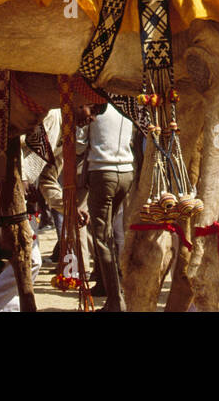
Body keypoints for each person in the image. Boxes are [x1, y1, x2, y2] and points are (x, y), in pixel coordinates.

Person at [83, 104, 134, 311]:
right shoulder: (126, 105)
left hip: (103, 171)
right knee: (110, 232)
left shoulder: (95, 106)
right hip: (126, 172)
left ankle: (115, 299)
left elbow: (78, 143)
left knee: (103, 237)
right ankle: (108, 285)